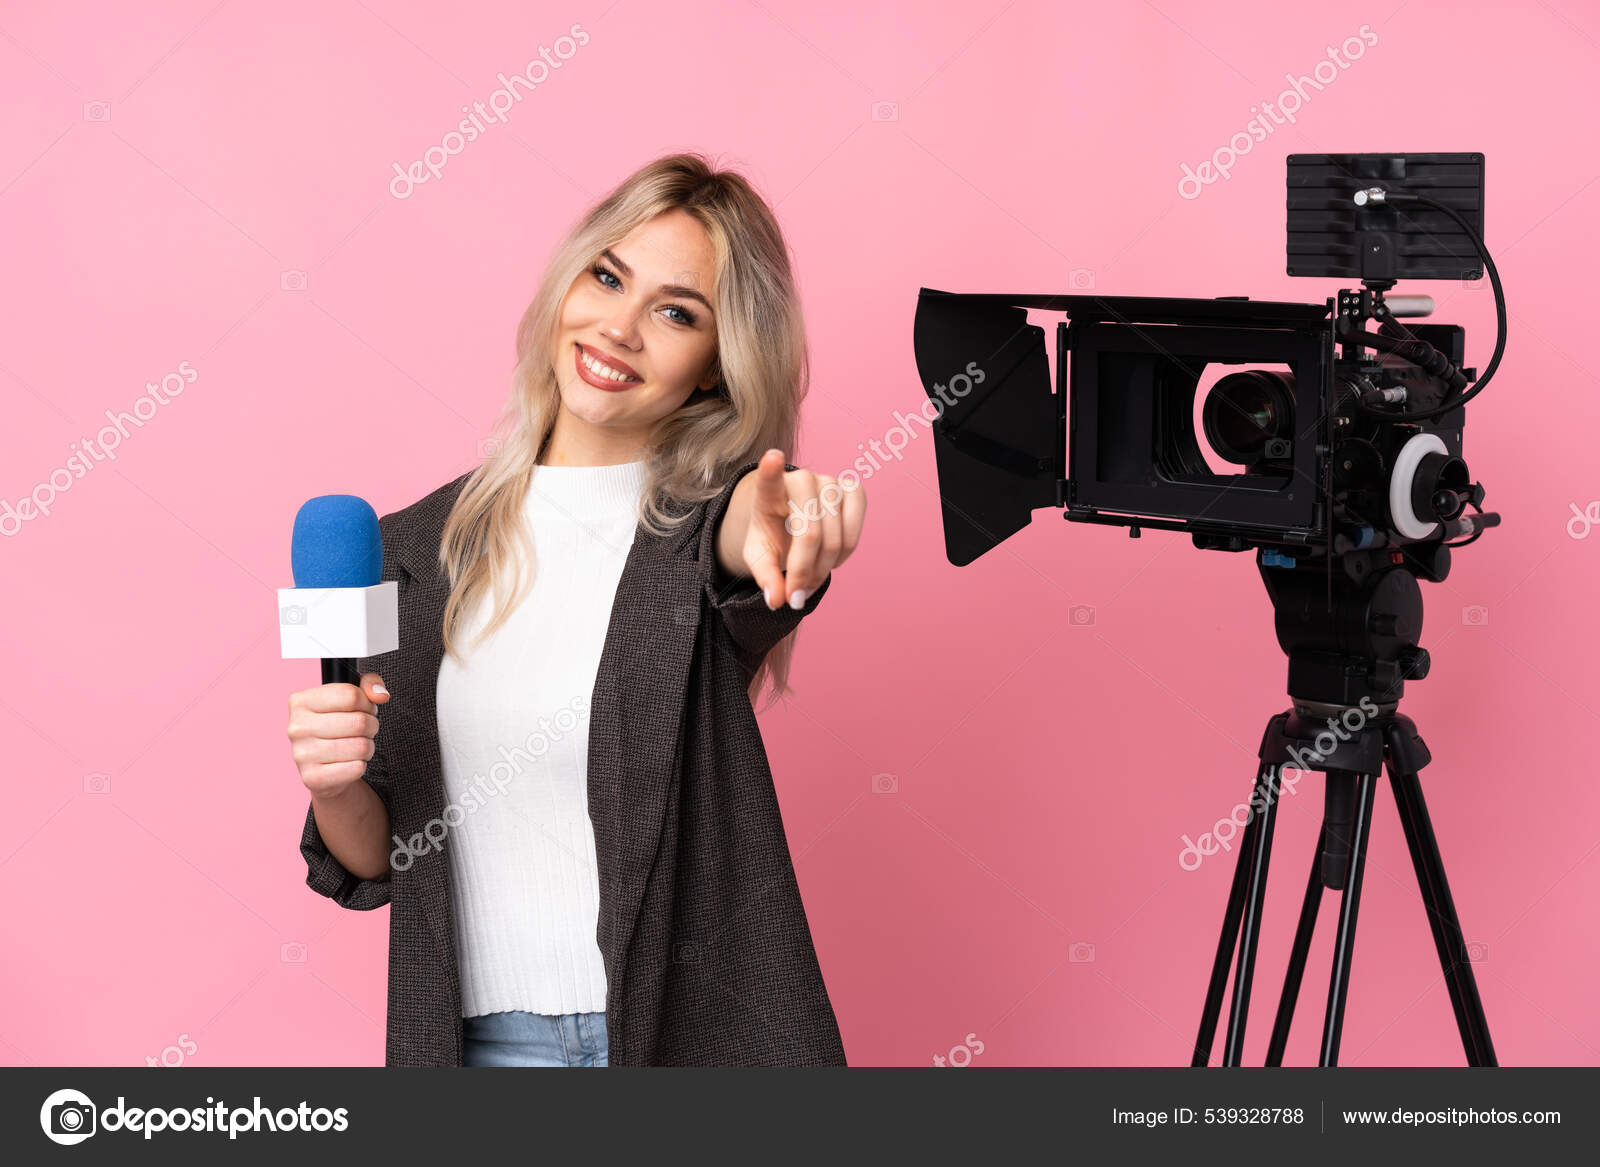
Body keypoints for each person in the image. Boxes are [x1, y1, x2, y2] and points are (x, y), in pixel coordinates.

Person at [287, 153, 866, 1066]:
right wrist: (334, 786)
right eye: (608, 277)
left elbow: (745, 538)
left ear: (716, 368)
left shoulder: (698, 532)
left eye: (676, 312)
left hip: (691, 1043)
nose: (621, 328)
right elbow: (376, 855)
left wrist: (780, 518)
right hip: (484, 1052)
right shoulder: (413, 549)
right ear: (567, 286)